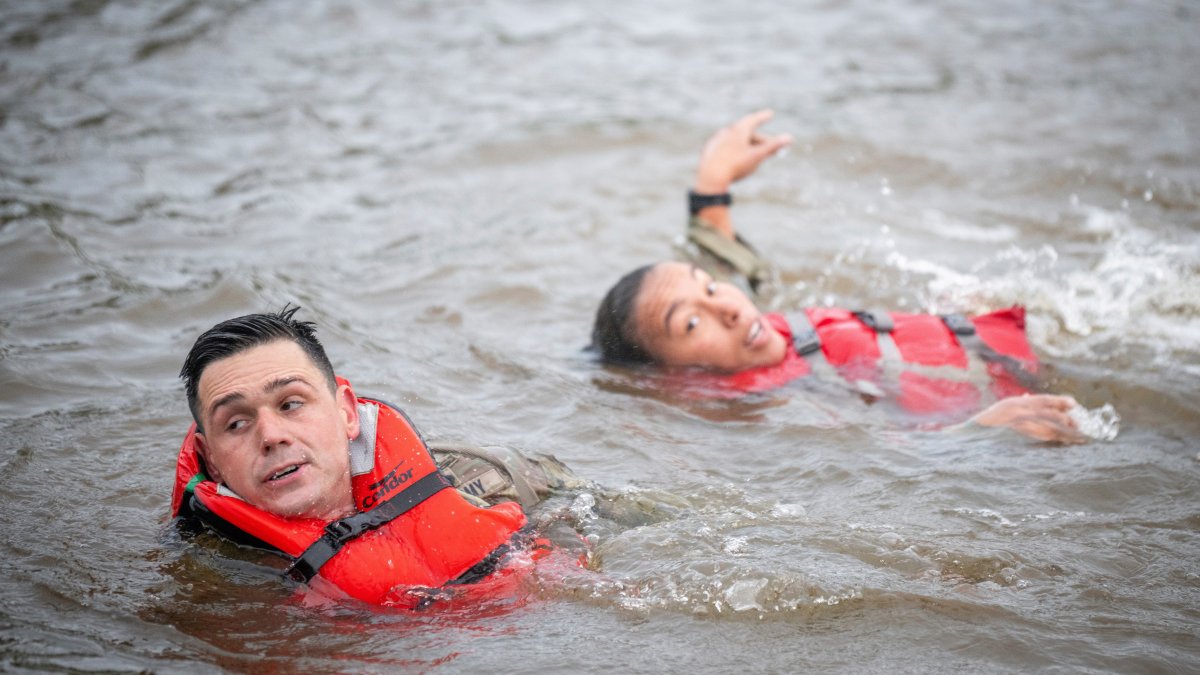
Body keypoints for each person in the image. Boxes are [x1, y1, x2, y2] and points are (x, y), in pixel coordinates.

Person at [591, 110, 1088, 444]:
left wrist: (712, 181)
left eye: (711, 287)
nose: (727, 306)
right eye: (692, 326)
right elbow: (890, 465)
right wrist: (982, 434)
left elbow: (726, 267)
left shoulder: (762, 328)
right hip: (1045, 410)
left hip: (1035, 339)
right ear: (672, 381)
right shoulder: (784, 408)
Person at [171, 304, 582, 607]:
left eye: (291, 403)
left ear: (347, 413)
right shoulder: (206, 580)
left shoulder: (492, 476)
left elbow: (622, 521)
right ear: (212, 459)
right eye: (236, 424)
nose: (271, 436)